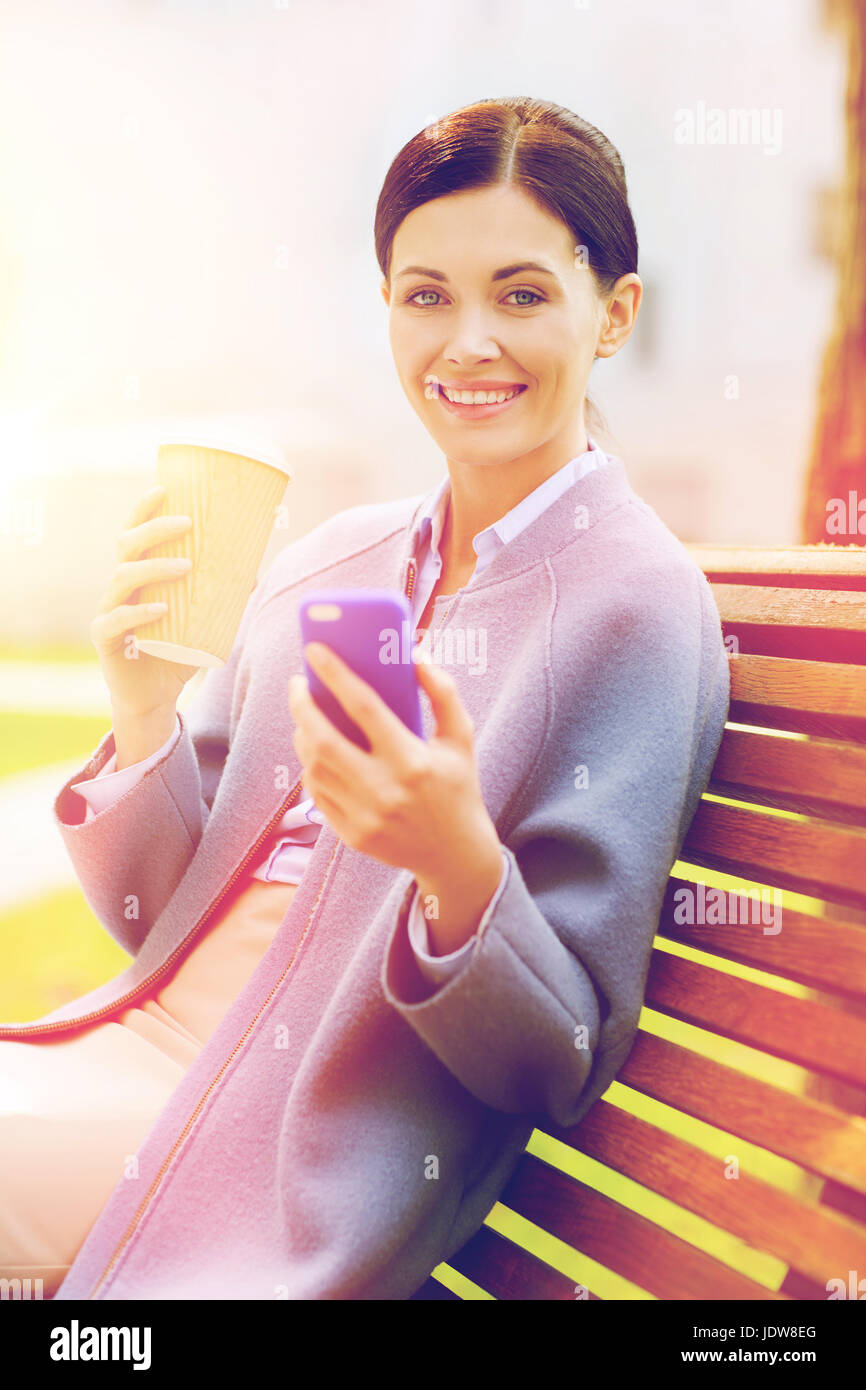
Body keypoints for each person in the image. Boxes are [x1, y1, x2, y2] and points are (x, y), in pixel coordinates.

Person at [0, 95, 730, 1301]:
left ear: (613, 313)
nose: (468, 343)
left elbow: (555, 1059)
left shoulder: (635, 610)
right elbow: (155, 921)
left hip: (280, 1151)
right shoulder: (330, 560)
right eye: (426, 294)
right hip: (139, 1055)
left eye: (522, 292)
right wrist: (141, 717)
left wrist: (453, 867)